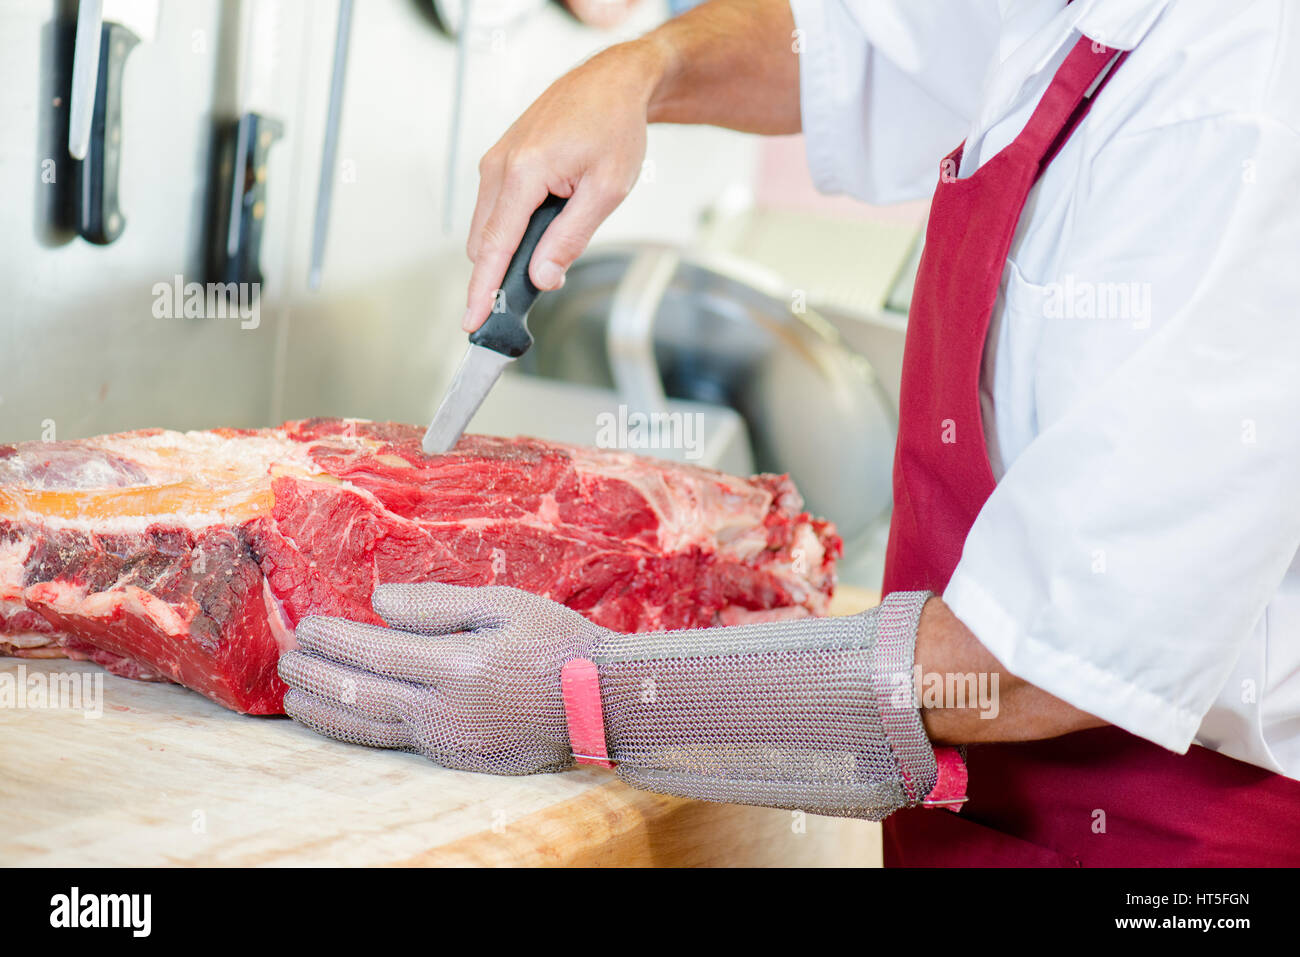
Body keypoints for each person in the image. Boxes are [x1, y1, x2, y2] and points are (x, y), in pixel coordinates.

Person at [279, 0, 1300, 865]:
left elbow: (1041, 656)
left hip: (1171, 847)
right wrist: (645, 70)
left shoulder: (1246, 99)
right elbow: (855, 52)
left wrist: (590, 697)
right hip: (979, 817)